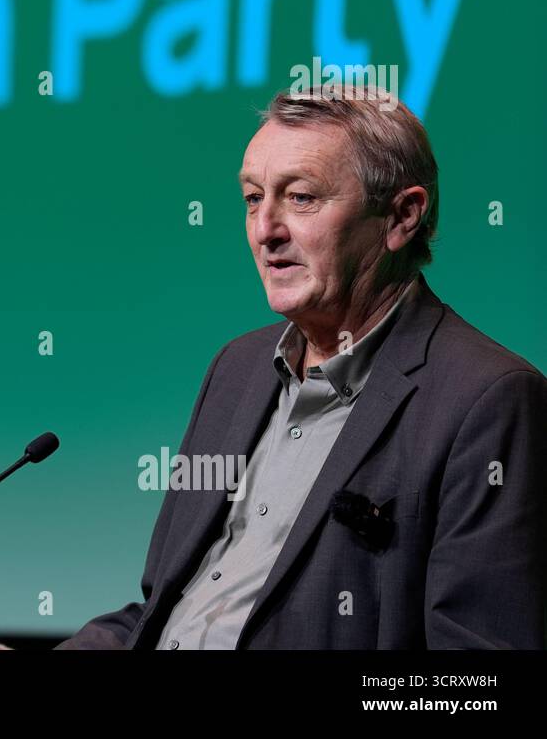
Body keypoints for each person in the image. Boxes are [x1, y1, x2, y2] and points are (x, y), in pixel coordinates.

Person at [57, 86, 546, 649]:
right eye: (251, 198)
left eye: (302, 198)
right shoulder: (236, 368)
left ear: (402, 215)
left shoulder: (488, 400)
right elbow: (161, 611)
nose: (266, 229)